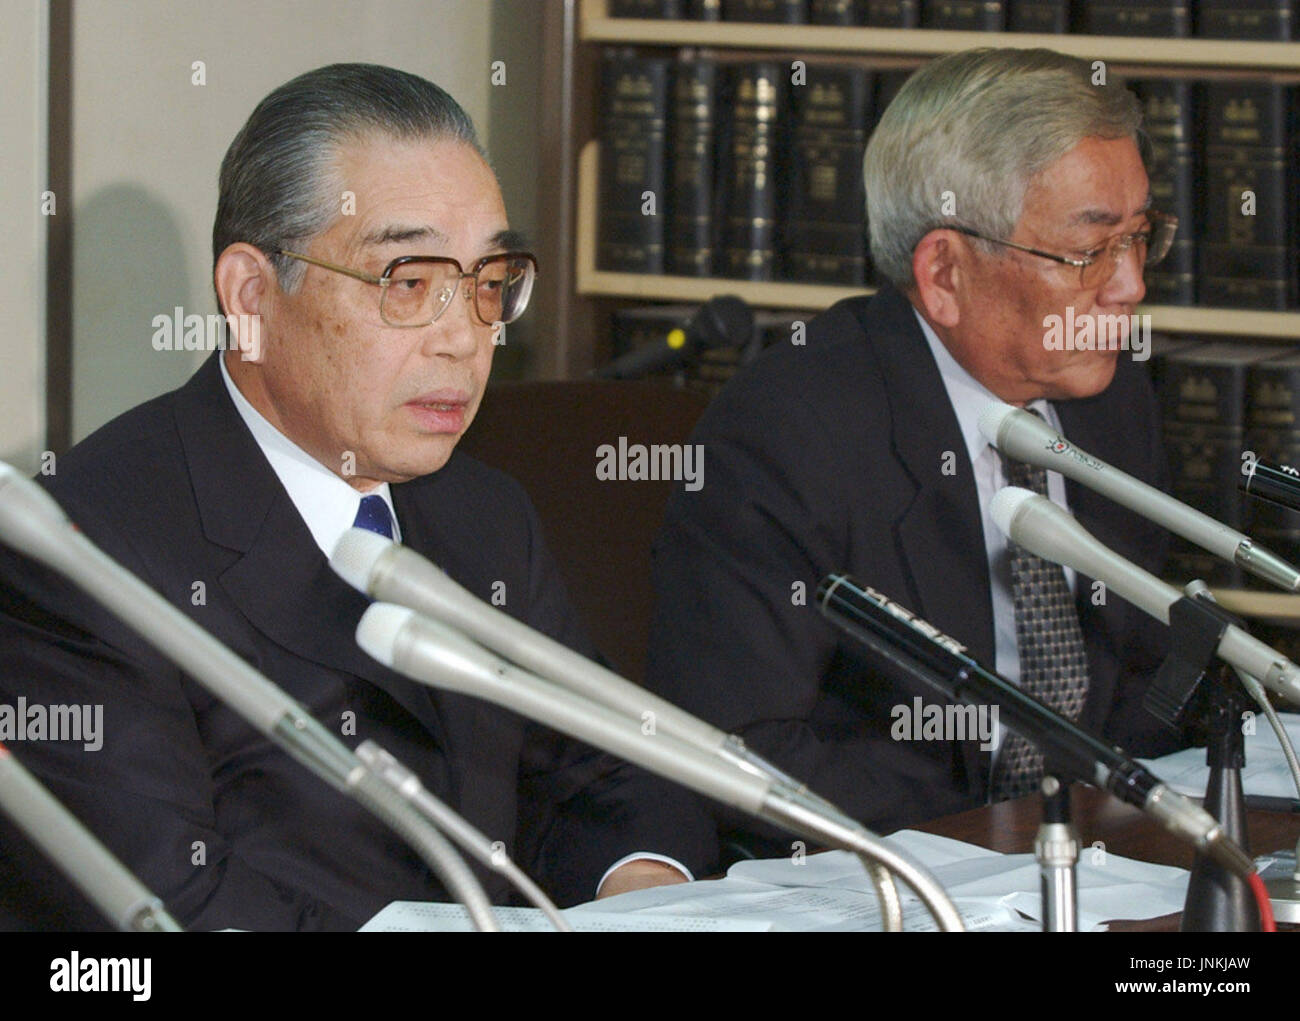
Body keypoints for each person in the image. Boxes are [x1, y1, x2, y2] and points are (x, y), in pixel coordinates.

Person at [0, 63, 714, 931]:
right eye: (409, 283)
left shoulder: (482, 512)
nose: (464, 337)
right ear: (252, 296)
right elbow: (168, 905)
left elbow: (601, 767)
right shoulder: (86, 552)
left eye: (489, 283)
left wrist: (636, 886)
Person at [646, 48, 1186, 851]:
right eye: (1090, 251)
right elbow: (744, 754)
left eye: (1140, 236)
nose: (1130, 285)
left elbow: (1150, 675)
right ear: (944, 272)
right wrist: (1010, 812)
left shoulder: (1111, 399)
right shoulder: (786, 432)